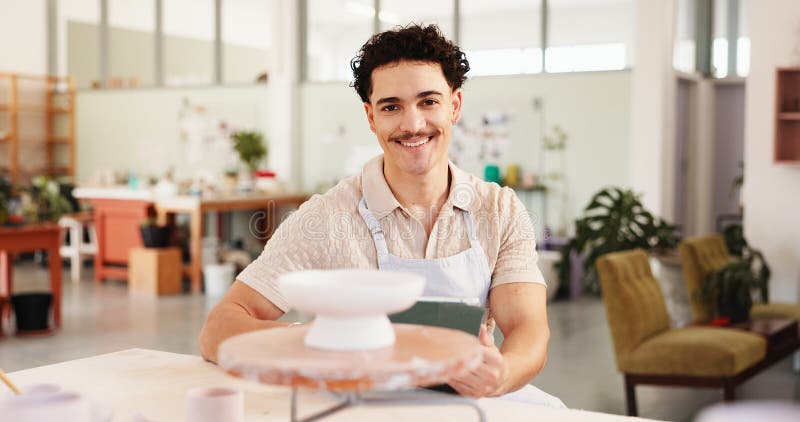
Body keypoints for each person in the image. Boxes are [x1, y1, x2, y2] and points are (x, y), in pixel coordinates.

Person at [199, 24, 564, 407]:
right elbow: (220, 326)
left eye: (428, 102)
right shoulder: (327, 217)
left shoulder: (499, 210)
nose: (412, 124)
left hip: (469, 403)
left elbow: (528, 329)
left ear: (454, 105)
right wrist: (312, 338)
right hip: (355, 406)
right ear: (371, 116)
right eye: (392, 107)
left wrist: (501, 374)